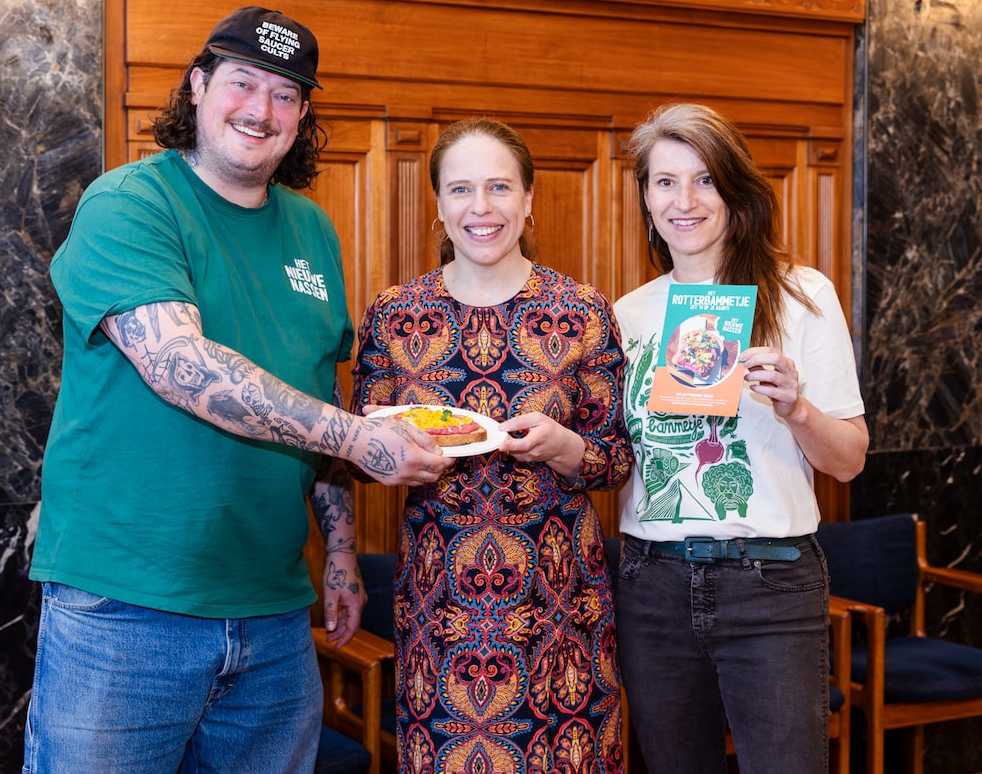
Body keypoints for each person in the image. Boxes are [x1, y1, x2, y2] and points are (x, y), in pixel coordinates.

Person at [23, 6, 452, 774]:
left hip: (273, 611)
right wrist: (361, 441)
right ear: (197, 86)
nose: (260, 109)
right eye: (242, 83)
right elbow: (179, 365)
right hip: (126, 605)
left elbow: (314, 391)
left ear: (304, 115)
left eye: (285, 94)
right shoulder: (130, 203)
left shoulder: (313, 230)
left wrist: (343, 557)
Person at [350, 117, 635, 774]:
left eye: (499, 187)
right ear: (439, 206)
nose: (480, 208)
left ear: (529, 199)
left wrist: (565, 447)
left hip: (561, 607)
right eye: (460, 190)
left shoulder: (581, 310)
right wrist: (384, 450)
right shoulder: (395, 314)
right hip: (442, 611)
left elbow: (614, 459)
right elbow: (354, 453)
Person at [611, 103, 868, 774]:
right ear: (644, 197)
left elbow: (848, 462)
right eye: (664, 182)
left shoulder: (799, 295)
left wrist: (797, 410)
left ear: (734, 192)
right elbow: (610, 457)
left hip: (770, 583)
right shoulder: (626, 315)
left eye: (703, 179)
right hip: (651, 584)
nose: (684, 200)